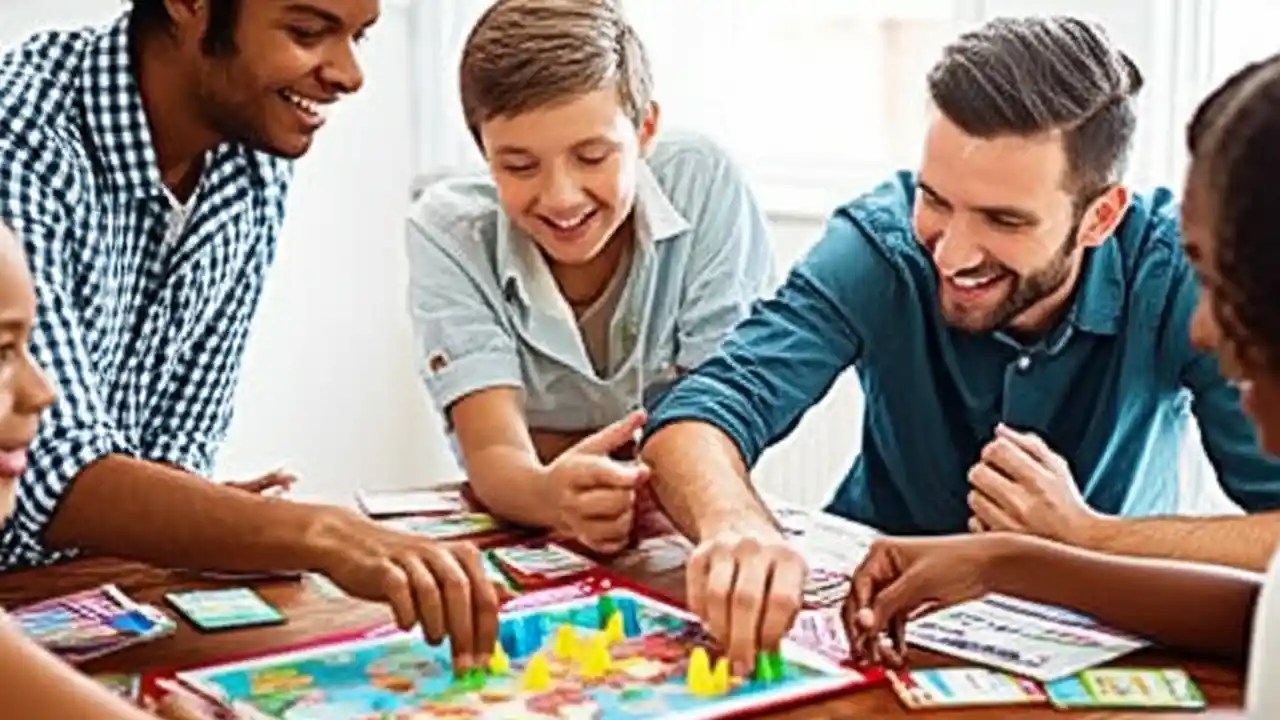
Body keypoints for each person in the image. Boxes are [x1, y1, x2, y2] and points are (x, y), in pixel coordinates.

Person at [639, 15, 1280, 672]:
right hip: (880, 634)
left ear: (1100, 217)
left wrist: (1091, 536)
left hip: (1108, 645)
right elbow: (701, 409)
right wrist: (734, 522)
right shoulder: (881, 246)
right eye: (936, 199)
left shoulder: (1187, 277)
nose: (952, 252)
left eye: (1004, 220)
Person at [0, 0, 498, 669]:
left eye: (360, 37)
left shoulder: (254, 156)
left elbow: (174, 454)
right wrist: (321, 533)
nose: (351, 74)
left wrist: (216, 519)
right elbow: (47, 470)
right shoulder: (22, 136)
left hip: (74, 608)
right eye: (308, 31)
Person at [846, 52, 1280, 718]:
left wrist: (1086, 538)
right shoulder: (874, 244)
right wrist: (1006, 562)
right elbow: (1264, 609)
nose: (1200, 329)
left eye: (1222, 279)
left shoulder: (1153, 279)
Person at [407, 0, 774, 555]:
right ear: (483, 150)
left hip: (680, 530)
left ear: (645, 128)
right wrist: (545, 492)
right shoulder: (449, 229)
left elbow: (718, 419)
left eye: (593, 156)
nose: (560, 196)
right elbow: (495, 455)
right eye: (519, 166)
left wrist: (554, 448)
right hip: (535, 530)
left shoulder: (703, 181)